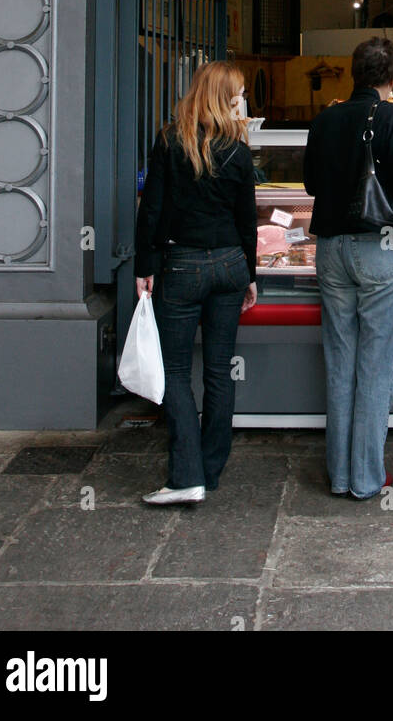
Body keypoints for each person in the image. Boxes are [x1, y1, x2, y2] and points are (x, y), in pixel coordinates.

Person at [304, 37, 393, 500]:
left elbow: (310, 183)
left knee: (340, 362)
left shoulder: (325, 118)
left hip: (331, 250)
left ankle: (339, 475)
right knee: (376, 366)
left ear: (353, 73)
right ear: (392, 77)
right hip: (379, 250)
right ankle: (365, 478)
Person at [135, 61, 258, 505]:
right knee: (220, 371)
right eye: (238, 93)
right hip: (229, 265)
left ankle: (187, 475)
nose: (241, 101)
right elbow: (248, 222)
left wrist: (144, 266)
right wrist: (250, 274)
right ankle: (209, 469)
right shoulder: (239, 151)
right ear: (223, 96)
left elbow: (151, 208)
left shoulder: (170, 141)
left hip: (182, 266)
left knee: (176, 373)